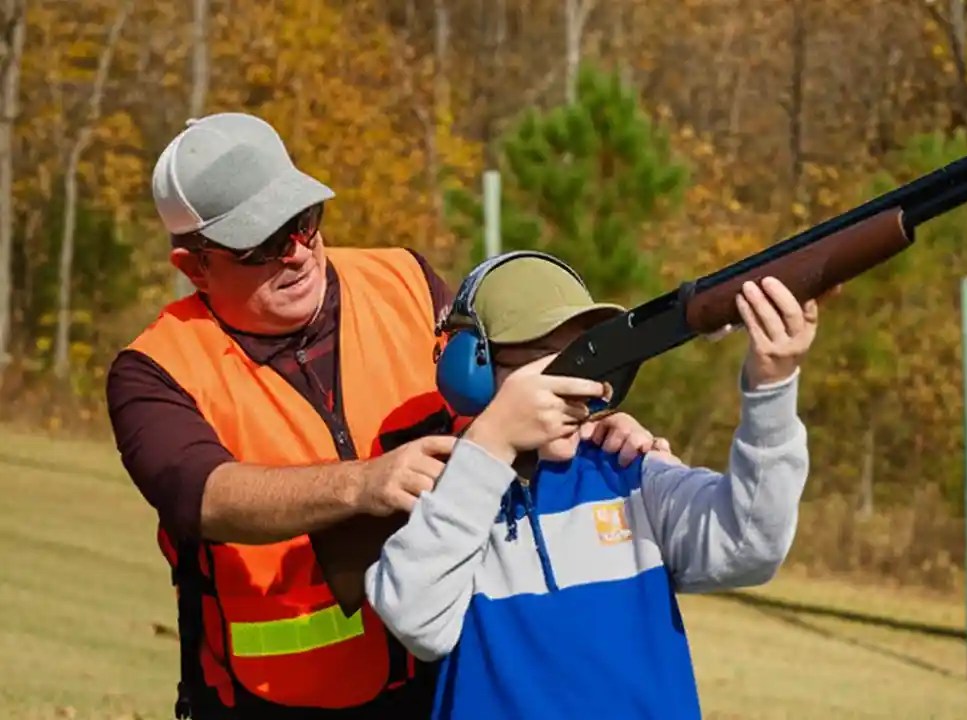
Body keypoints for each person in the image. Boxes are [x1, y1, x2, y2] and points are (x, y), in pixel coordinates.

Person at [106, 112, 670, 719]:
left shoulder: (405, 279)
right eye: (261, 245)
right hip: (274, 699)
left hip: (448, 675)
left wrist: (589, 427)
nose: (296, 254)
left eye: (303, 223)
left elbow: (506, 386)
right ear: (194, 266)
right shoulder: (153, 369)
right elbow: (203, 497)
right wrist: (364, 483)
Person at [364, 250, 816, 719]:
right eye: (546, 360)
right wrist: (491, 444)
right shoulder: (446, 492)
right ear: (473, 372)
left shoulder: (628, 470)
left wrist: (772, 386)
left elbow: (749, 547)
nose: (577, 384)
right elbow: (417, 621)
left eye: (584, 359)